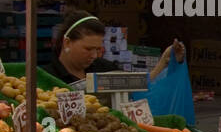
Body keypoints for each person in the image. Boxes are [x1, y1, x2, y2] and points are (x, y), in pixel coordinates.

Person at [47, 11, 183, 85]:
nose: (94, 56)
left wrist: (164, 61)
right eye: (88, 49)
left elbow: (138, 85)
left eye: (98, 49)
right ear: (67, 43)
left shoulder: (104, 69)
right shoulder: (47, 76)